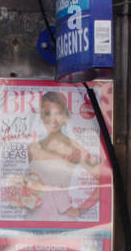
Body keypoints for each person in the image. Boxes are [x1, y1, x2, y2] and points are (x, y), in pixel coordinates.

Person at [26, 90, 101, 219]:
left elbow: (106, 178)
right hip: (33, 219)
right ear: (42, 116)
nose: (53, 120)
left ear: (65, 115)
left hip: (61, 220)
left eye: (58, 113)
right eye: (48, 114)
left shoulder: (73, 147)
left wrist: (81, 209)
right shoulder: (32, 148)